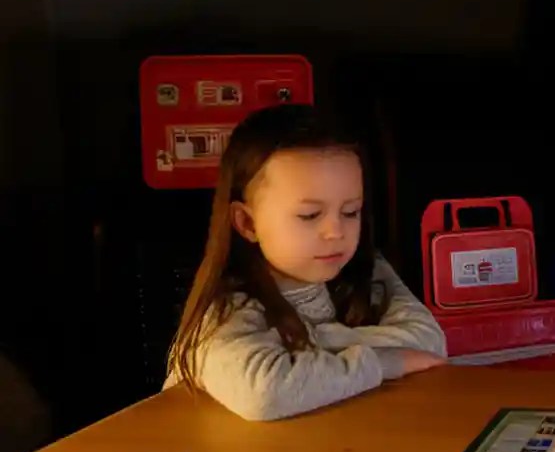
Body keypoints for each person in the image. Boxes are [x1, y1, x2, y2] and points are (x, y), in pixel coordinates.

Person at [165, 104, 447, 421]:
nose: (335, 232)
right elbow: (263, 393)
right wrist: (384, 362)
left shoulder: (364, 269)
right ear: (247, 223)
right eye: (310, 215)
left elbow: (430, 344)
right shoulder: (225, 309)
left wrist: (306, 351)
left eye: (350, 211)